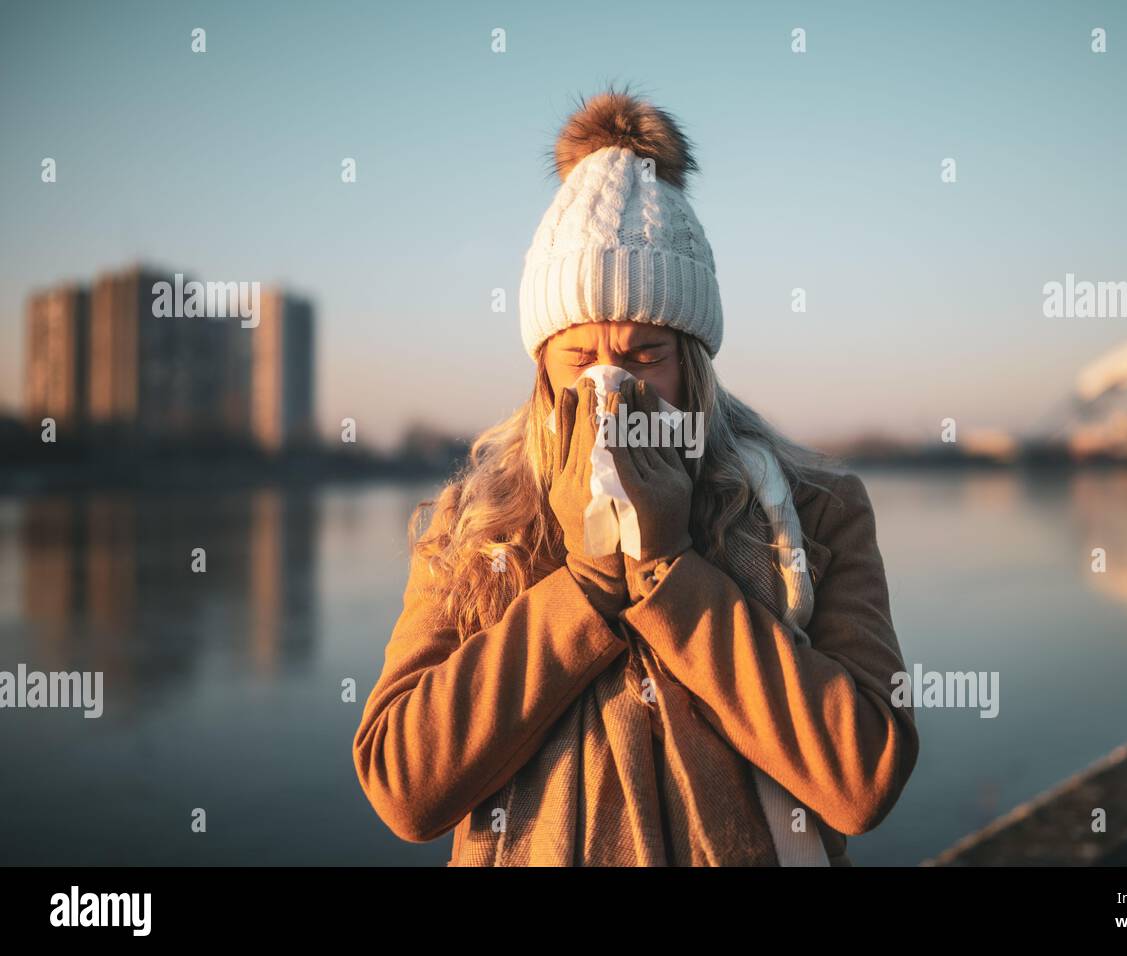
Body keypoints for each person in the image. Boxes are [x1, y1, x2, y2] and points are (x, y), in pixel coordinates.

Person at [352, 86, 919, 866]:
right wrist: (582, 585)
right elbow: (404, 787)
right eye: (579, 357)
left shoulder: (815, 508)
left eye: (645, 354)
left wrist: (671, 573)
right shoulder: (475, 523)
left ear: (693, 365)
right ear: (544, 372)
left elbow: (863, 777)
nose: (611, 387)